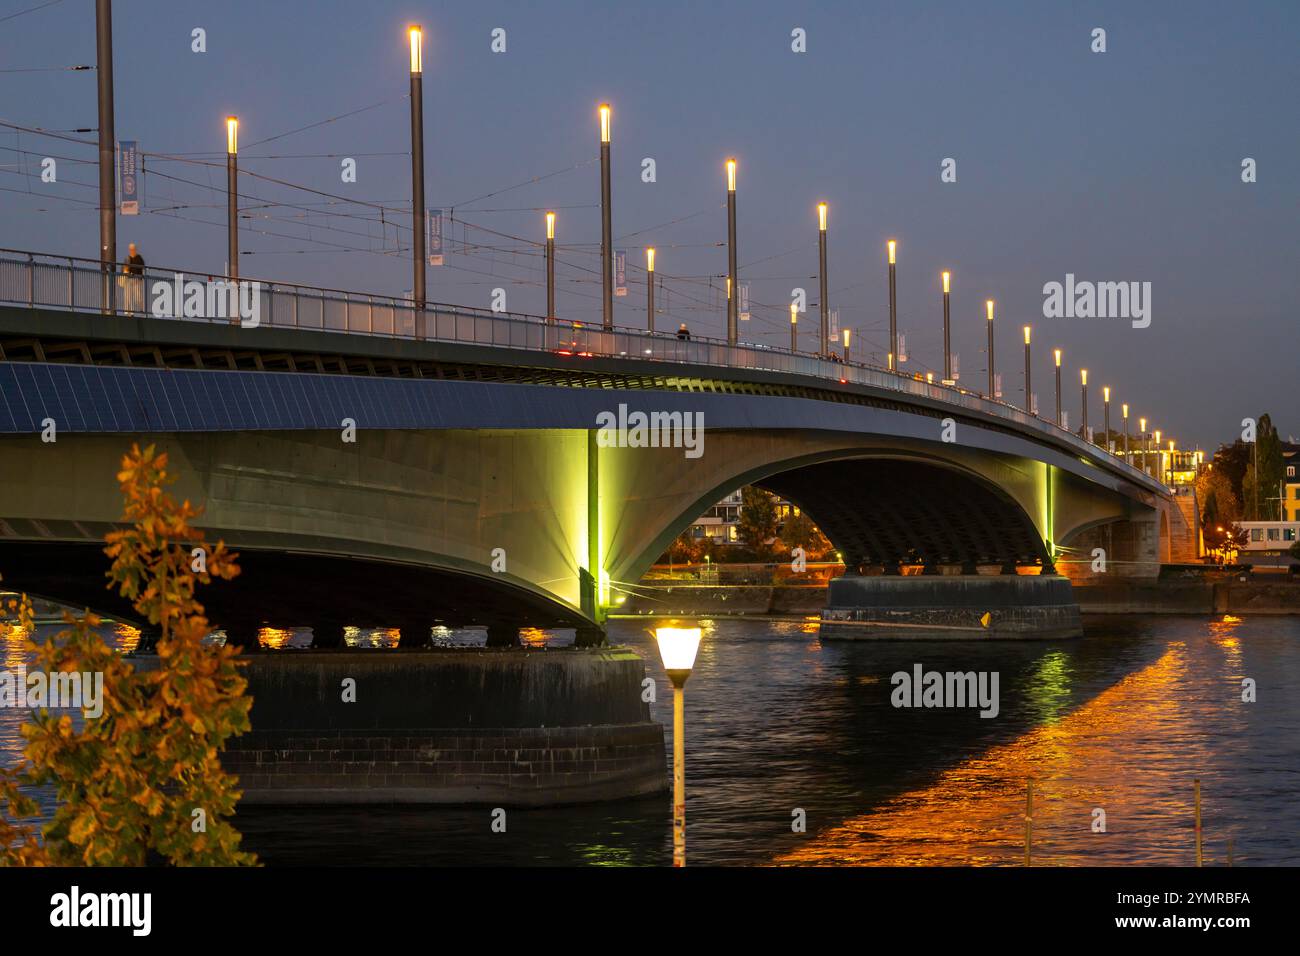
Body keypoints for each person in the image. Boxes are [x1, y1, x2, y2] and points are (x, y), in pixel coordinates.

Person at [121, 243, 145, 313]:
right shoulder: (127, 258)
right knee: (128, 295)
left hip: (137, 279)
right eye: (131, 249)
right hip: (128, 278)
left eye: (133, 249)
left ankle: (141, 309)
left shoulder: (139, 258)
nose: (132, 250)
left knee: (138, 296)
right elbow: (123, 268)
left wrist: (140, 277)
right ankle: (128, 311)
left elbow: (142, 268)